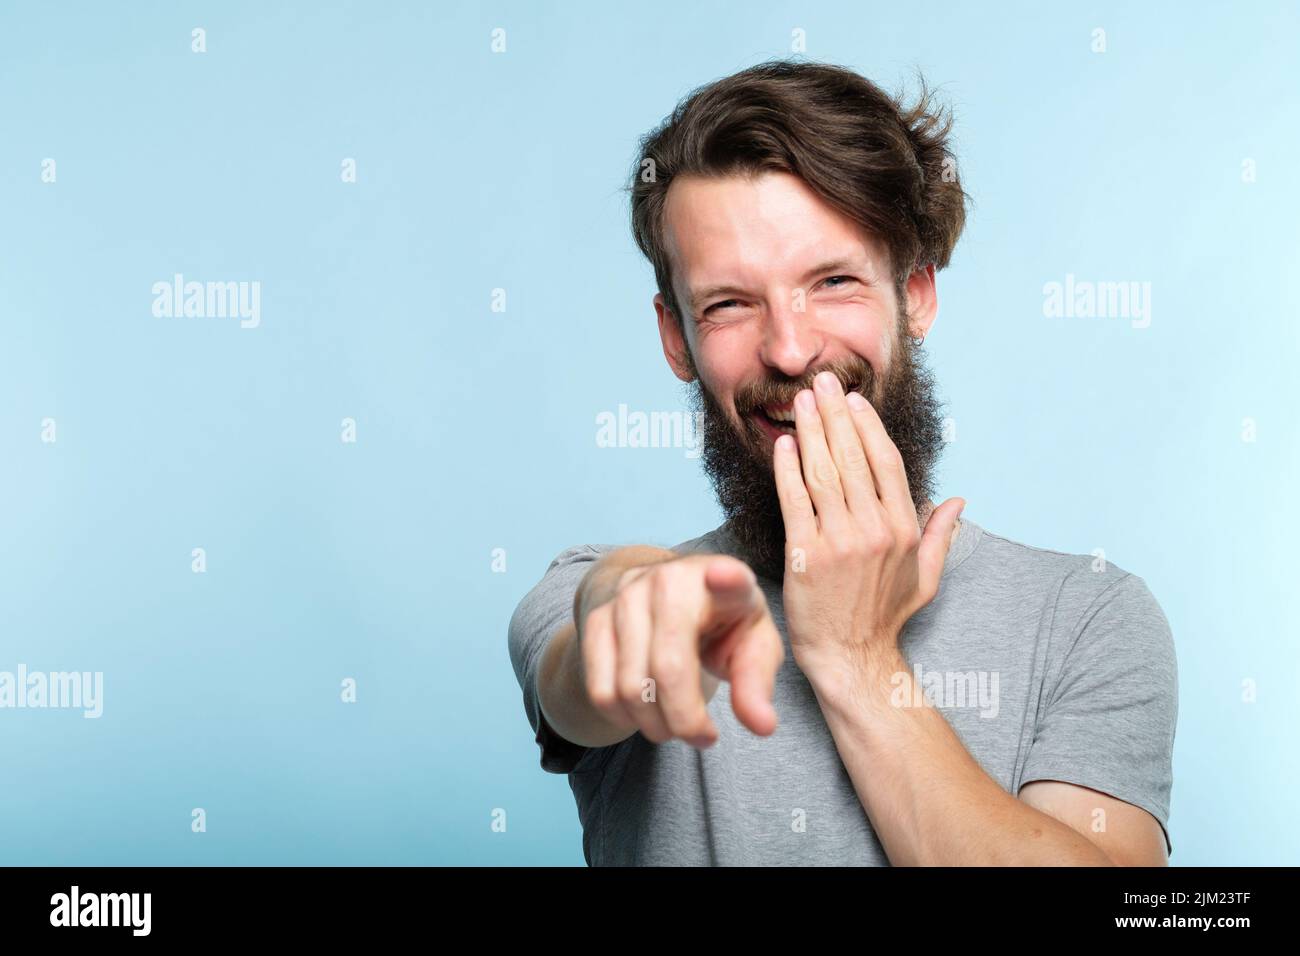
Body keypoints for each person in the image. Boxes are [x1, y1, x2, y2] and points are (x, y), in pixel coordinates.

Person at [508, 59, 1177, 866]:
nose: (791, 350)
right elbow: (587, 666)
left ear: (917, 296)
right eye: (728, 303)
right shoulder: (589, 587)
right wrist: (621, 609)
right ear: (675, 339)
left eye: (832, 282)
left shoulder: (1089, 617)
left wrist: (855, 657)